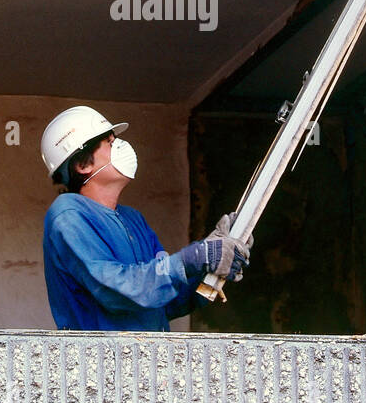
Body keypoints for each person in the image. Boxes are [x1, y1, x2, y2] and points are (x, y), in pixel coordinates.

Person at [40, 106, 250, 332]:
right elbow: (116, 289)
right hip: (102, 363)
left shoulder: (132, 219)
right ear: (82, 165)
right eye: (110, 143)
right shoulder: (68, 215)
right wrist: (195, 257)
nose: (121, 146)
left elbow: (165, 300)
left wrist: (209, 268)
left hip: (149, 361)